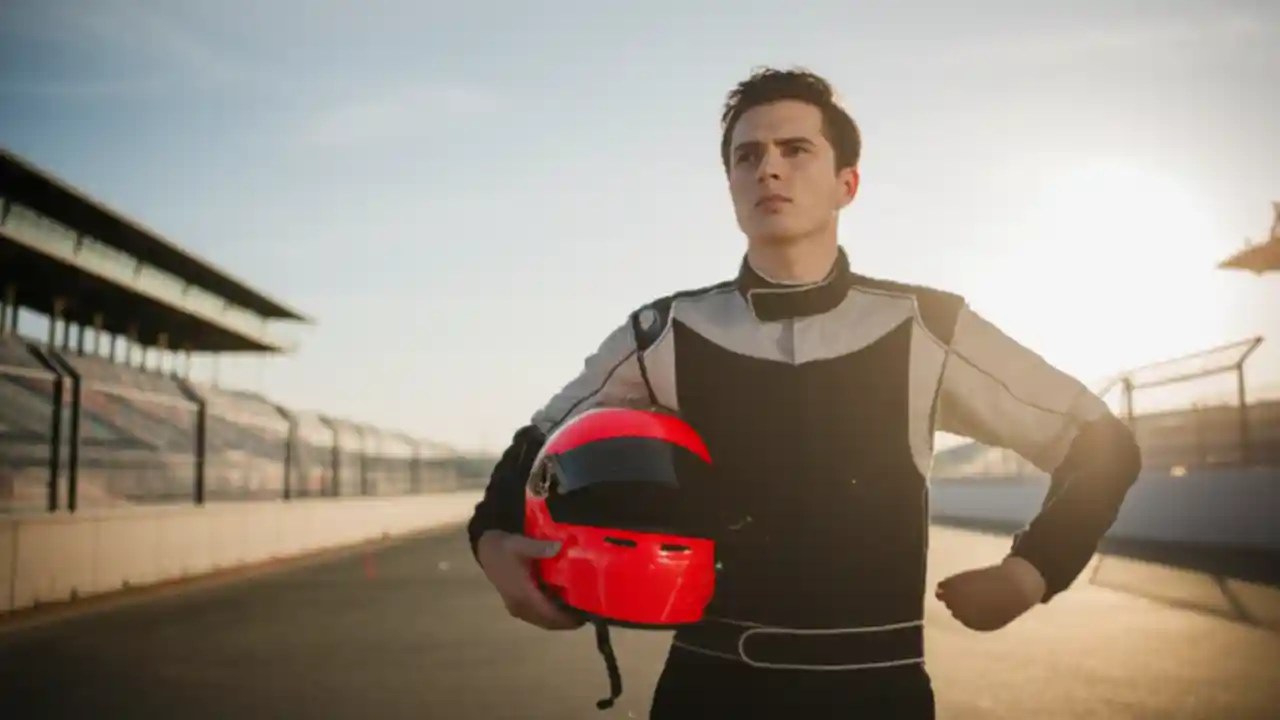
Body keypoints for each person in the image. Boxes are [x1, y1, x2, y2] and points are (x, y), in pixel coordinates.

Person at [466, 66, 1143, 718]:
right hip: (707, 692)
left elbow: (1101, 442)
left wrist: (1032, 572)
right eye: (746, 156)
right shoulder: (662, 332)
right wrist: (493, 543)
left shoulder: (929, 327)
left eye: (795, 150)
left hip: (875, 696)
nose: (768, 168)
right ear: (730, 184)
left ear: (848, 183)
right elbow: (539, 444)